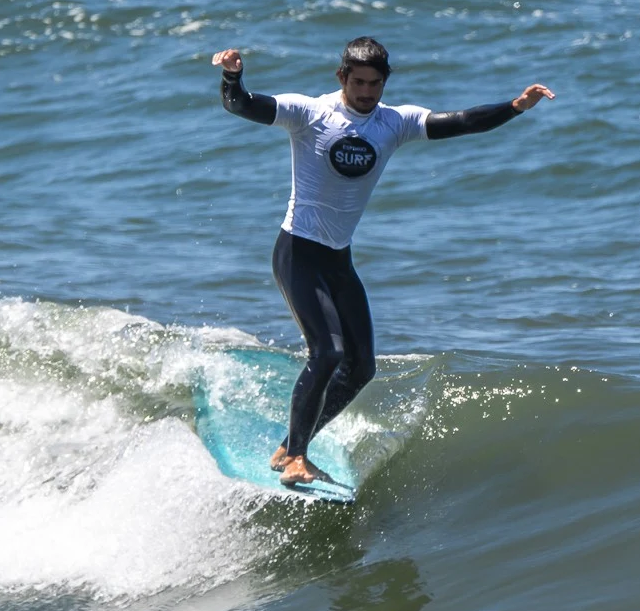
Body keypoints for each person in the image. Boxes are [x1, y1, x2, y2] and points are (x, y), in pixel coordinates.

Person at [211, 37, 554, 487]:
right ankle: (296, 457)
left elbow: (462, 122)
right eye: (359, 82)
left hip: (337, 259)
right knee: (328, 351)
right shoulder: (310, 113)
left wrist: (515, 106)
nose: (367, 92)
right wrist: (232, 76)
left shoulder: (394, 123)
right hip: (298, 251)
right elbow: (242, 105)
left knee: (362, 367)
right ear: (342, 78)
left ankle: (289, 446)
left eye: (375, 84)